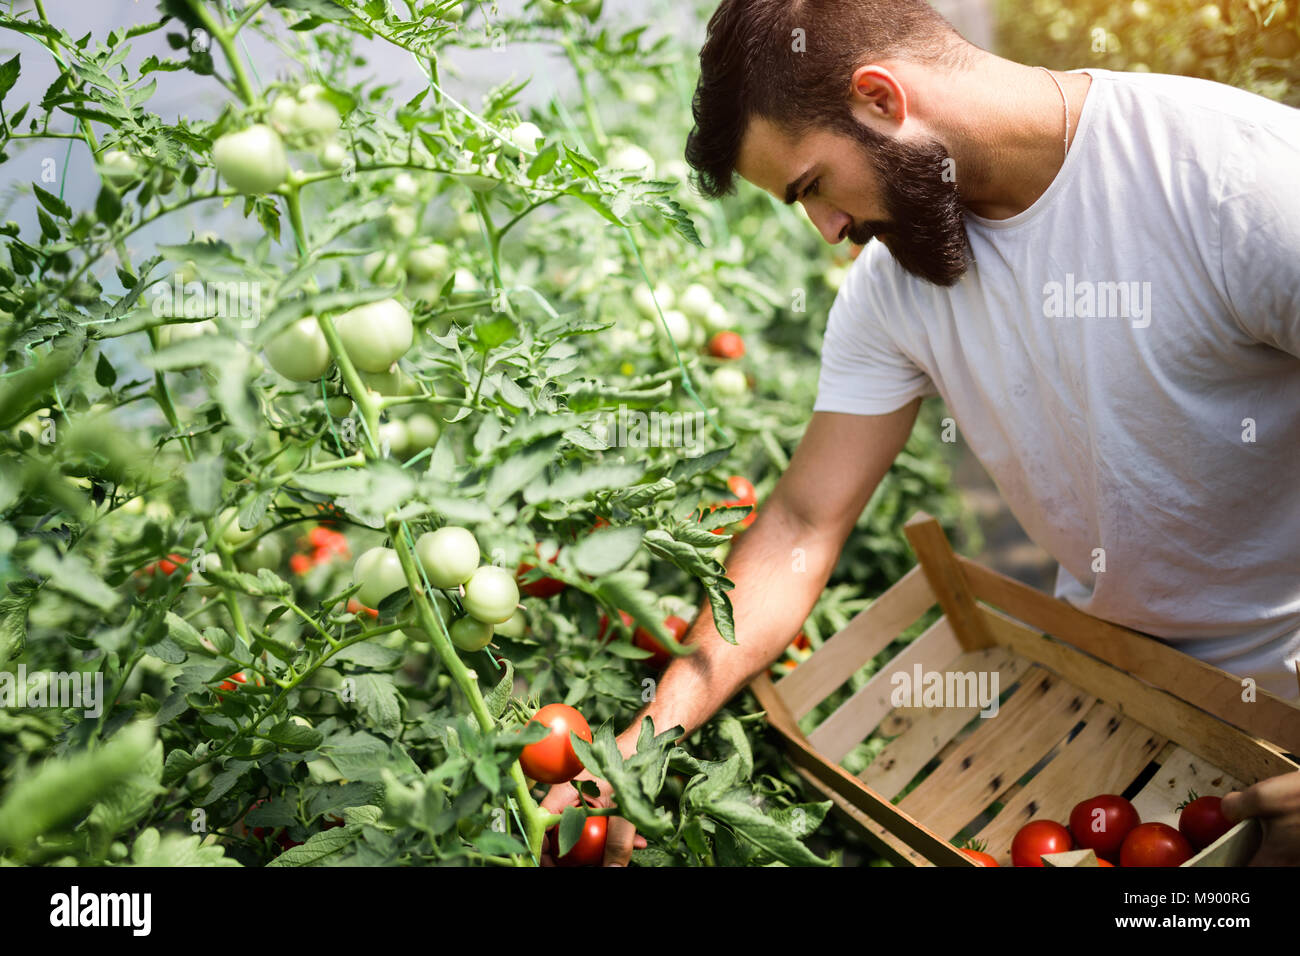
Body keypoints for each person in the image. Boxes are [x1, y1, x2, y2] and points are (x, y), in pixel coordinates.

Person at [542, 0, 1300, 866]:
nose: (827, 230)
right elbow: (801, 523)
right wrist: (642, 743)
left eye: (811, 187)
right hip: (1111, 702)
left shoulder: (1237, 183)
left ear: (880, 100)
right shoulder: (894, 287)